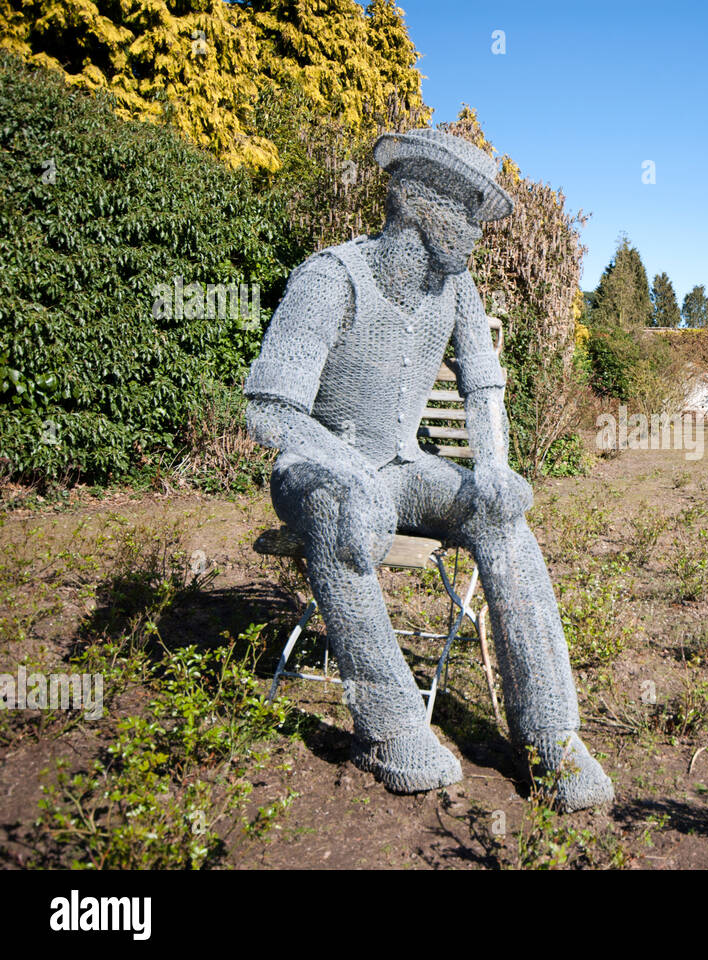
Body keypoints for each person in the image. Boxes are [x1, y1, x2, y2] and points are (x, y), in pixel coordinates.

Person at [243, 129, 612, 812]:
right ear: (413, 200)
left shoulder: (456, 286)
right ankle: (390, 728)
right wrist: (351, 474)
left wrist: (494, 466)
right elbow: (269, 408)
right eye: (464, 211)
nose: (476, 232)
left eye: (480, 215)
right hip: (317, 468)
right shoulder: (332, 276)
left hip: (407, 466)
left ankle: (552, 739)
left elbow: (483, 383)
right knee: (339, 511)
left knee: (503, 514)